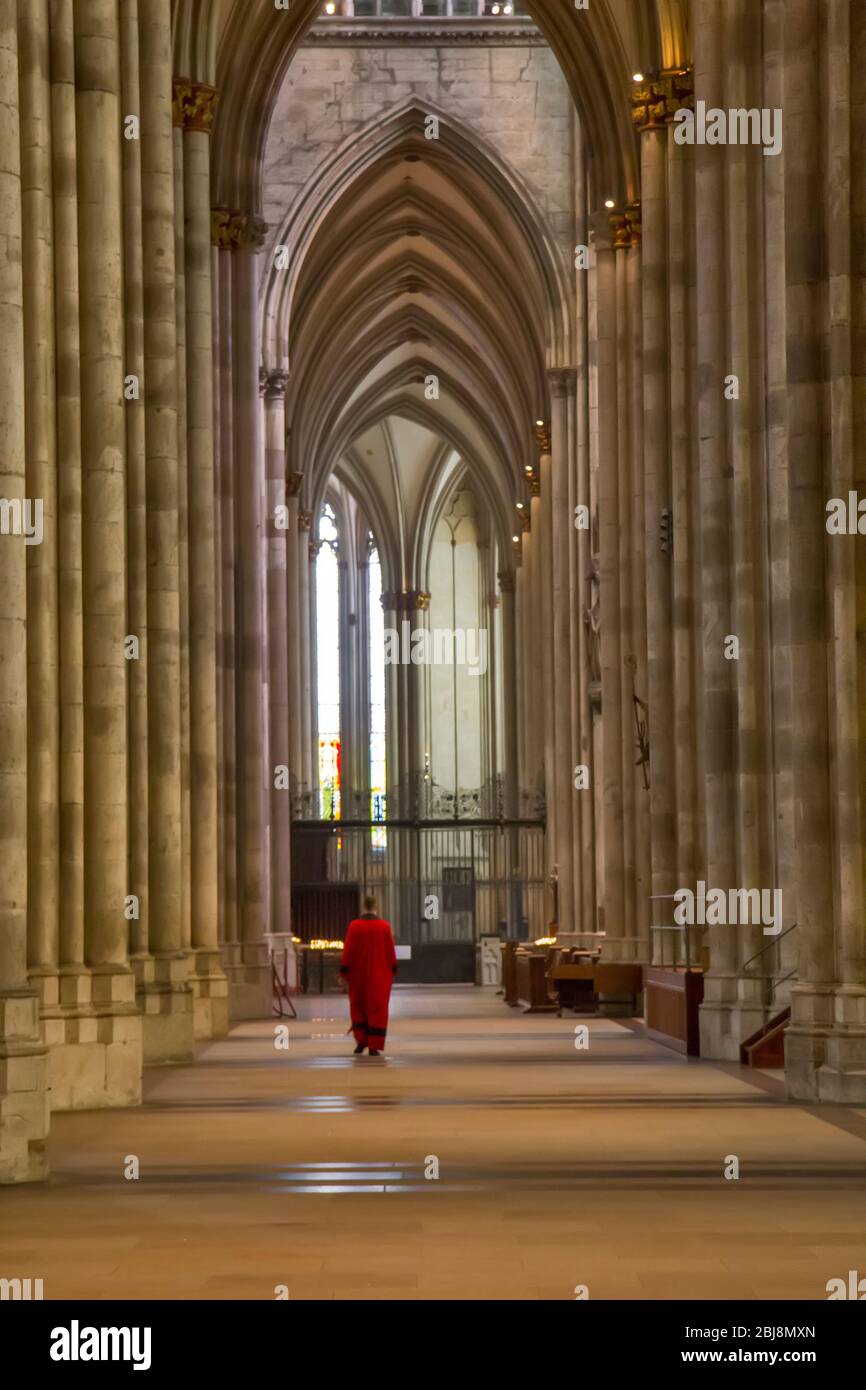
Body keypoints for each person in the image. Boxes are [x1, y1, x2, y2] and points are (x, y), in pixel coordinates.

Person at [339, 894, 397, 1056]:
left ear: (363, 907)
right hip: (379, 975)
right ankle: (374, 1045)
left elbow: (348, 951)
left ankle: (361, 1042)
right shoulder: (384, 927)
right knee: (377, 1009)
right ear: (376, 906)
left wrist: (344, 972)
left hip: (358, 975)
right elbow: (390, 953)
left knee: (358, 1006)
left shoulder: (354, 927)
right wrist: (392, 970)